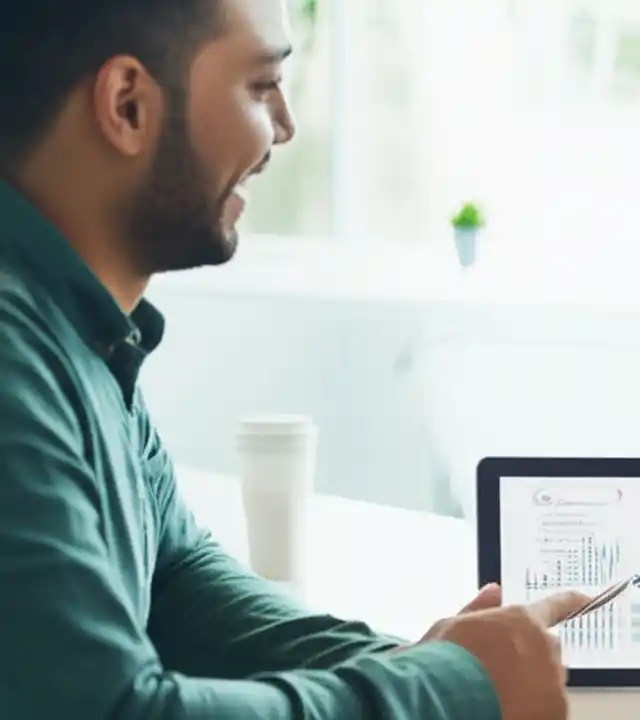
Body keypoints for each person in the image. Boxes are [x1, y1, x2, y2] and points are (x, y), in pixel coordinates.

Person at [0, 1, 586, 717]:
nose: (284, 125)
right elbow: (113, 711)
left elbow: (175, 577)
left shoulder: (83, 332)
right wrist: (447, 688)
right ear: (127, 105)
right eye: (259, 85)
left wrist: (419, 664)